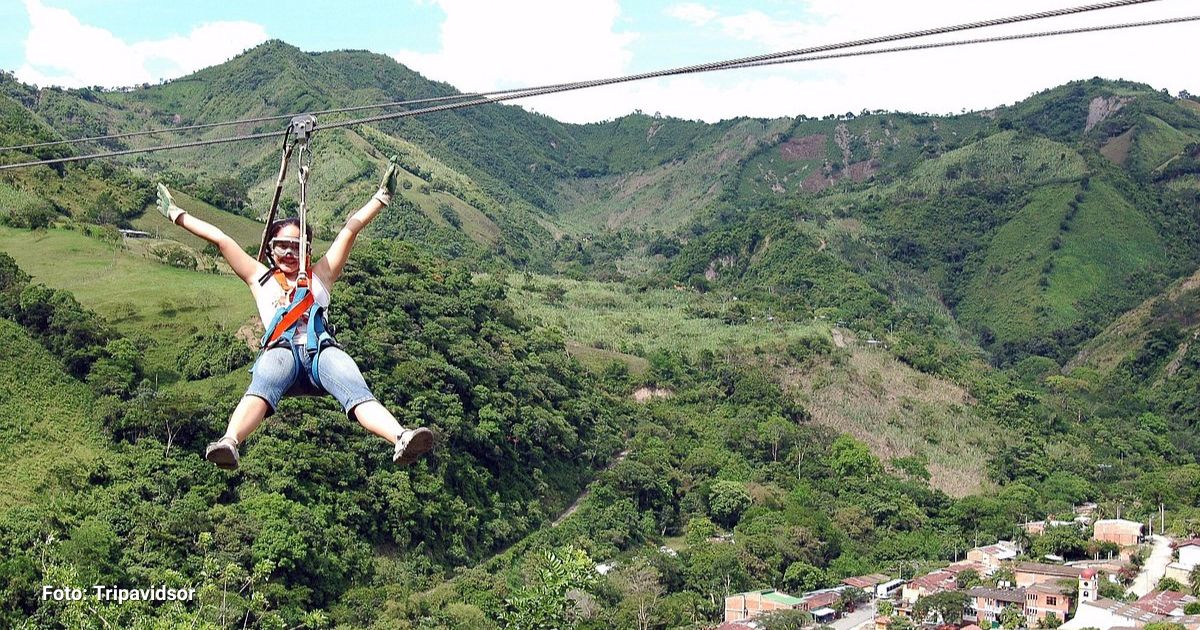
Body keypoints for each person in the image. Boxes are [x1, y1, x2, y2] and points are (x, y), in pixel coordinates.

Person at [155, 158, 433, 469]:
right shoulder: (259, 277)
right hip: (282, 351)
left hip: (319, 352)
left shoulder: (321, 275)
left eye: (296, 246)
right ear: (271, 250)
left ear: (308, 251)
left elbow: (348, 231)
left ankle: (400, 437)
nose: (289, 253)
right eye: (282, 246)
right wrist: (176, 215)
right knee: (266, 377)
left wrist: (380, 198)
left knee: (352, 382)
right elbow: (221, 240)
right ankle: (230, 442)